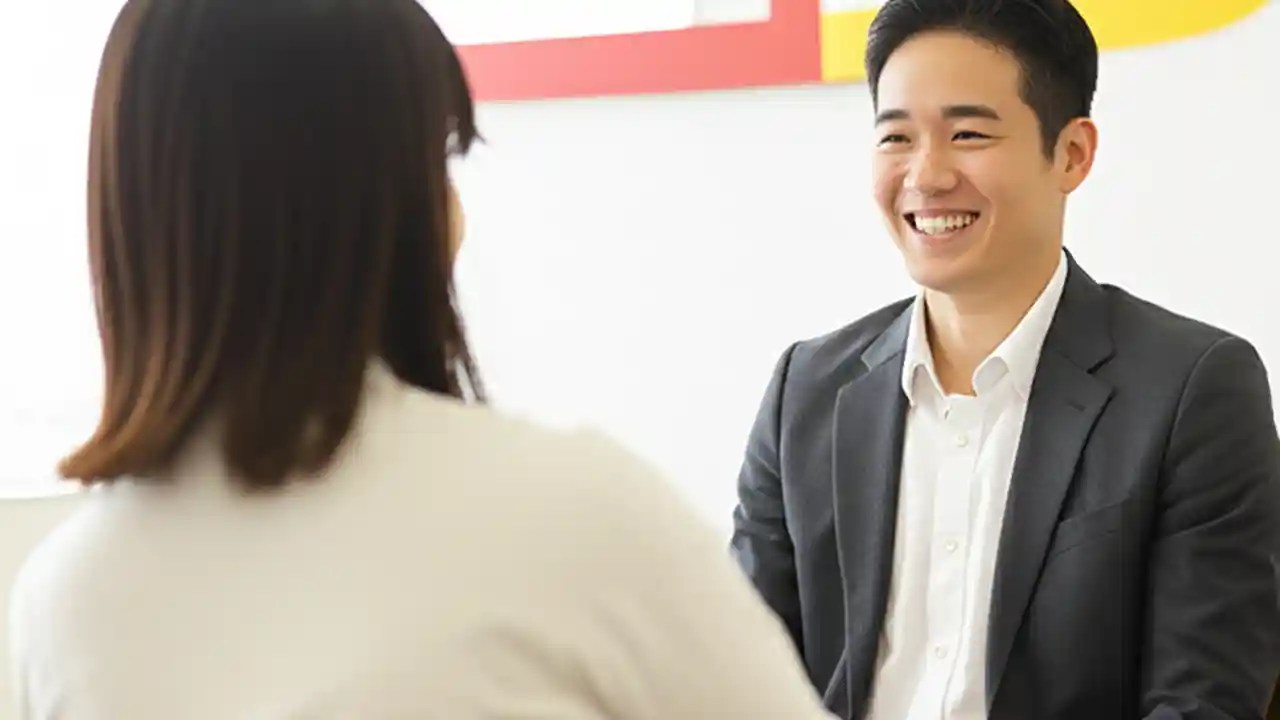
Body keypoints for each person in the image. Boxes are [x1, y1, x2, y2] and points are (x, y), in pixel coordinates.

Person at [6, 1, 836, 718]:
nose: (456, 213)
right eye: (436, 158)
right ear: (378, 204)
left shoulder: (67, 597)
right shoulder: (570, 514)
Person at [729, 1, 1280, 718]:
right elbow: (733, 676)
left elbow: (1204, 702)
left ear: (1073, 153)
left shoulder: (1191, 391)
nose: (926, 176)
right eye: (896, 137)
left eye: (967, 134)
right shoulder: (807, 391)